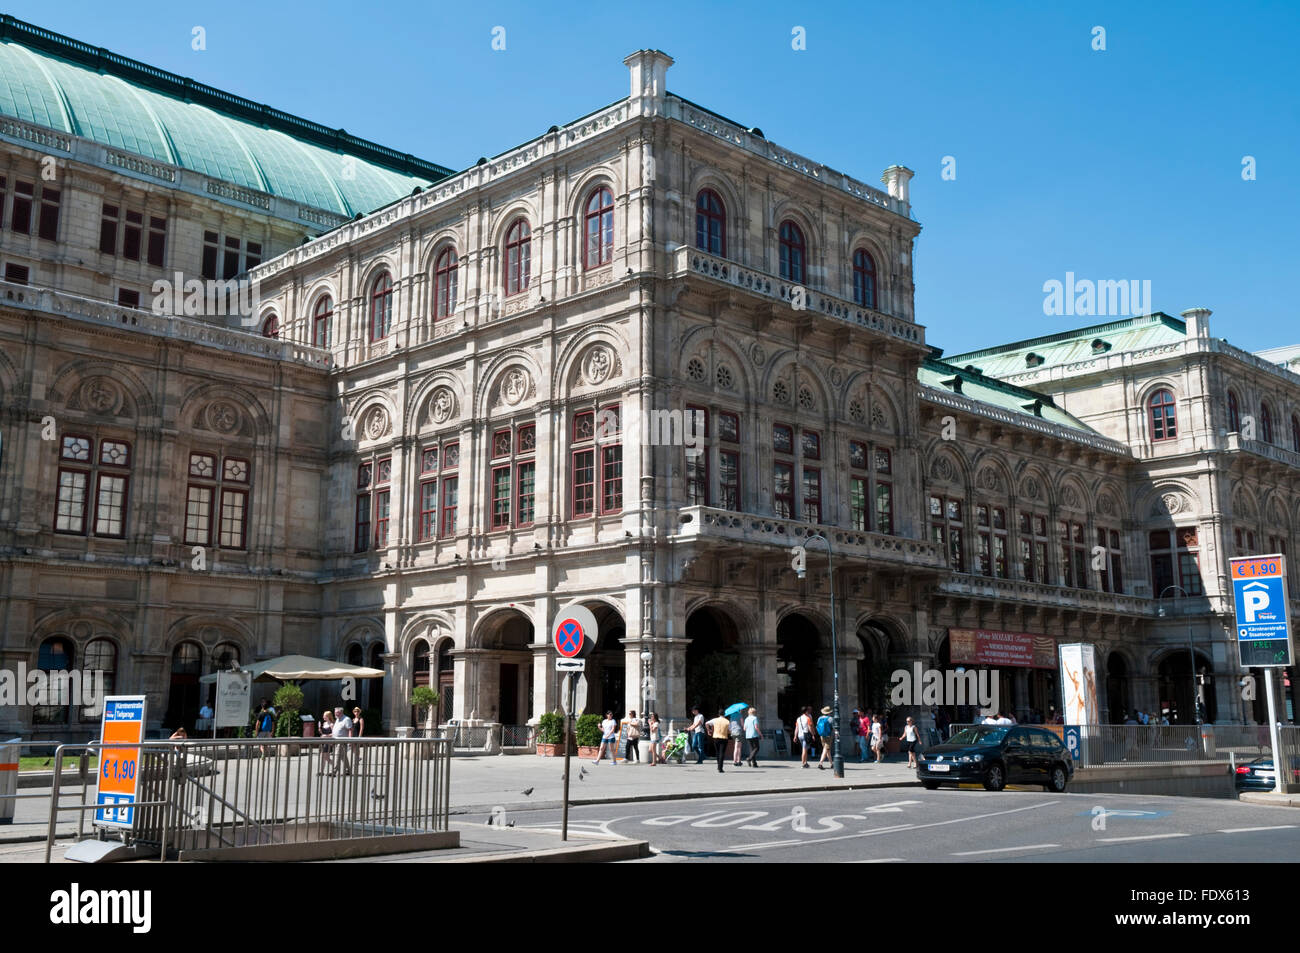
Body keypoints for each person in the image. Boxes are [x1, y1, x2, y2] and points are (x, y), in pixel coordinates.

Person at [331, 706, 353, 776]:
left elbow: (350, 729)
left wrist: (350, 741)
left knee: (337, 755)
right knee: (343, 757)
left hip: (342, 741)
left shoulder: (346, 719)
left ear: (341, 712)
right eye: (335, 712)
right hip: (336, 741)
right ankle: (348, 770)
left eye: (337, 713)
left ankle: (334, 771)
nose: (335, 714)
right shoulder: (338, 719)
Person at [319, 709, 335, 773]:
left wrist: (327, 735)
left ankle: (335, 766)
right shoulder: (324, 723)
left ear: (328, 716)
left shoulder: (331, 724)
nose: (323, 717)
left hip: (328, 742)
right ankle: (321, 771)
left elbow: (334, 733)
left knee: (326, 757)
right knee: (323, 757)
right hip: (323, 741)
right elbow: (323, 733)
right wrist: (321, 732)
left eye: (324, 716)